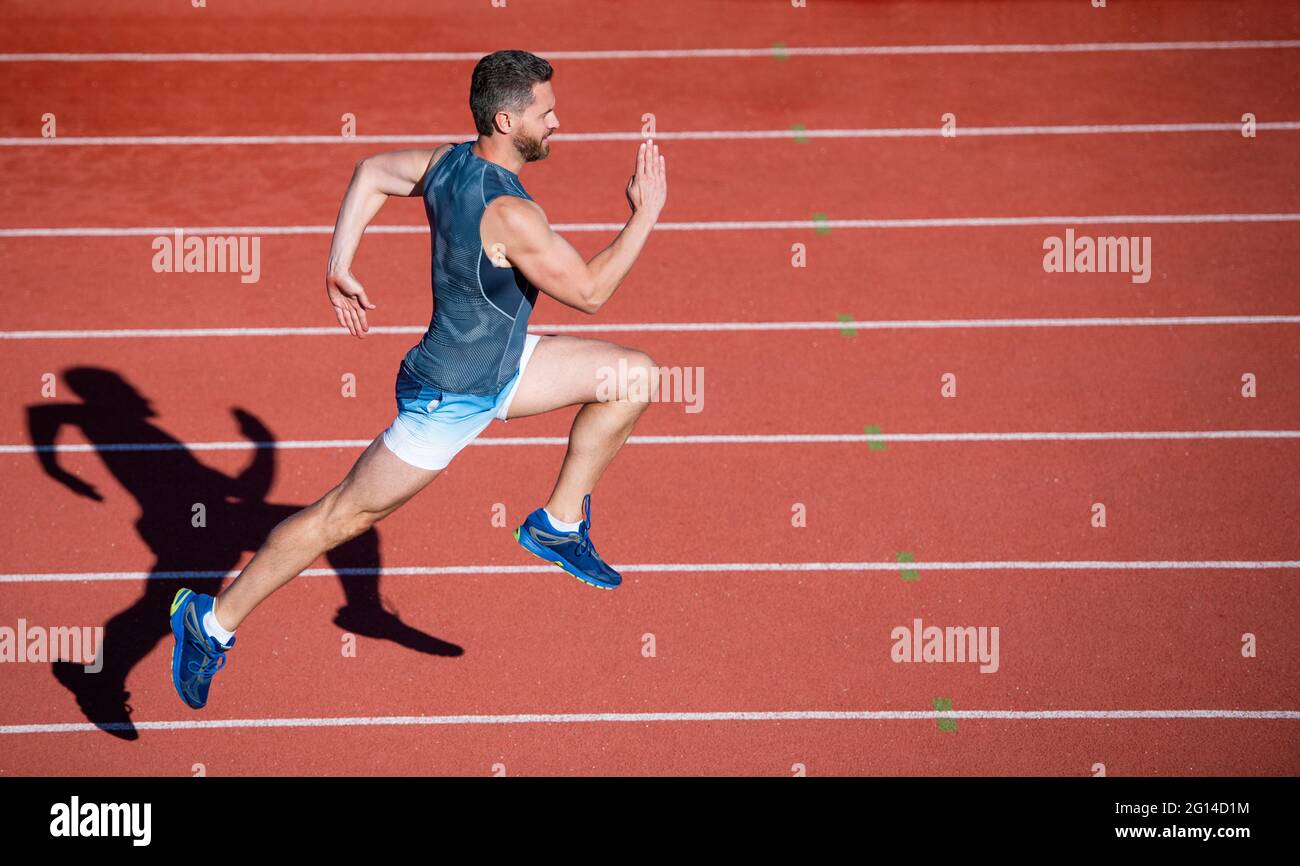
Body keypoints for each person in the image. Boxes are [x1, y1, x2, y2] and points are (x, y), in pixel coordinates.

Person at [169, 49, 668, 711]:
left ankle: (557, 524)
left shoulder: (446, 162)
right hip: (449, 397)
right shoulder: (513, 216)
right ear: (505, 117)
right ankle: (208, 622)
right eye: (546, 113)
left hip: (504, 363)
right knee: (340, 517)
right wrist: (645, 214)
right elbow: (591, 291)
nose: (557, 123)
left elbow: (372, 170)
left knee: (633, 378)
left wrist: (337, 263)